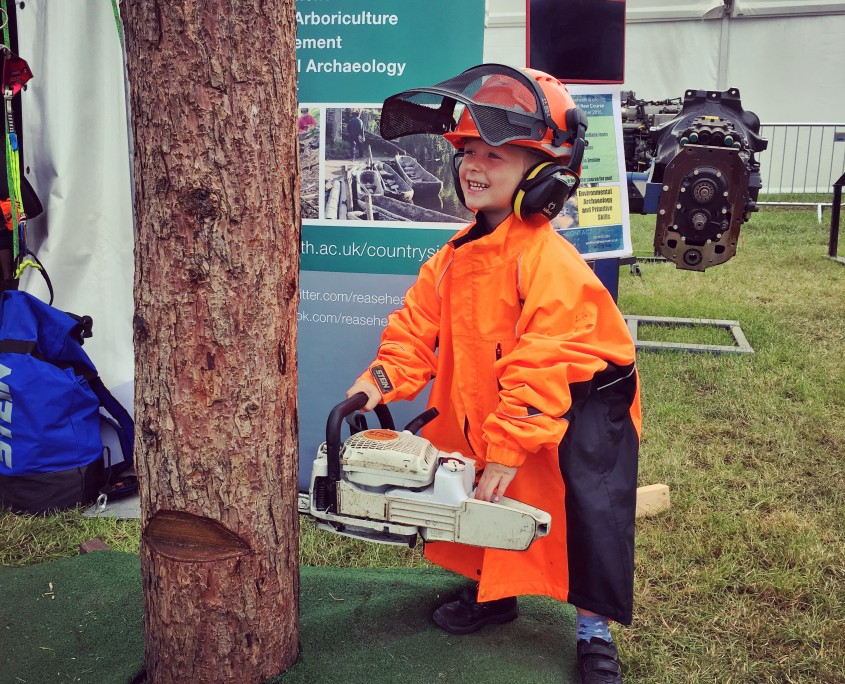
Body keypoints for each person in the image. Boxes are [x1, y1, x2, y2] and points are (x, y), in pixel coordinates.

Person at [346, 65, 640, 684]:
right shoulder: (453, 255)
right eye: (469, 152)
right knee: (480, 493)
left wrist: (509, 444)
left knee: (581, 511)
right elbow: (414, 329)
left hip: (578, 408)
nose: (474, 167)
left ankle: (593, 631)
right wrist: (378, 380)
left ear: (542, 173)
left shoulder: (547, 259)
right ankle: (494, 593)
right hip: (502, 407)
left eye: (497, 155)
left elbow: (546, 354)